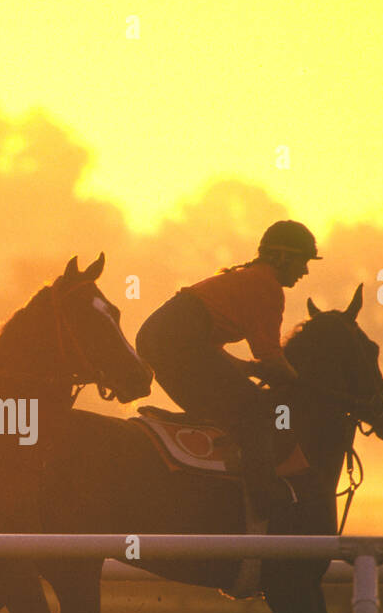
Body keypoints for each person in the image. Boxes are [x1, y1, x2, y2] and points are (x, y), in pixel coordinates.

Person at [134, 220, 321, 521]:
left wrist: (249, 369)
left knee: (222, 410)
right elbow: (271, 356)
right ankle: (264, 498)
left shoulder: (246, 279)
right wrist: (303, 384)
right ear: (283, 257)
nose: (305, 271)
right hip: (175, 340)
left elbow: (214, 353)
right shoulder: (266, 286)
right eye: (302, 261)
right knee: (257, 409)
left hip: (157, 338)